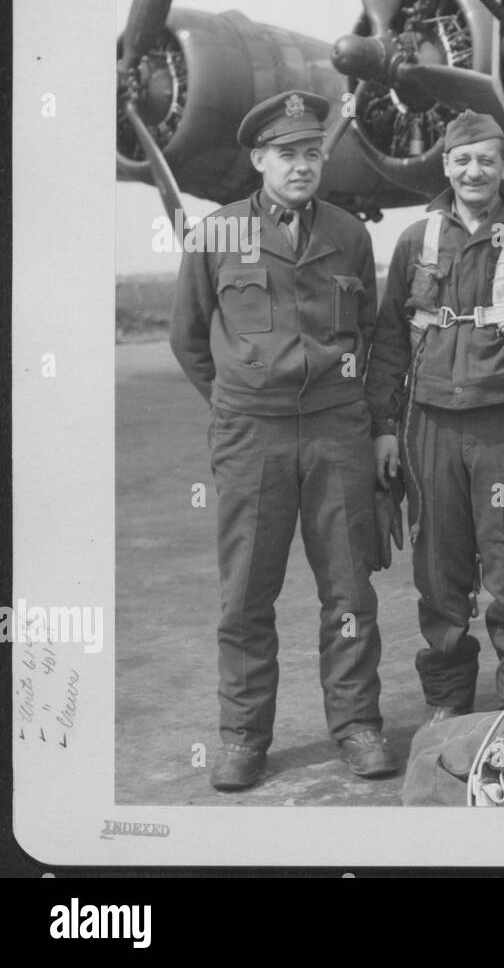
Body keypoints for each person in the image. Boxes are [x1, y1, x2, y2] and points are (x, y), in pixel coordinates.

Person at [170, 90, 397, 790]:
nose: (302, 166)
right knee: (244, 595)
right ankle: (242, 735)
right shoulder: (217, 235)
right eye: (287, 154)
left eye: (311, 153)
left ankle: (358, 725)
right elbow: (190, 337)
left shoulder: (349, 235)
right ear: (259, 158)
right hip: (253, 437)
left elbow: (370, 336)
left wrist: (369, 418)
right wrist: (240, 402)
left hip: (336, 431)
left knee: (350, 592)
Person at [366, 110, 504, 723]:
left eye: (486, 160)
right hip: (429, 428)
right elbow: (390, 343)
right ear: (446, 167)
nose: (473, 171)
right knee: (439, 570)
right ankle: (448, 703)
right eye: (461, 160)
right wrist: (382, 427)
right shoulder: (414, 242)